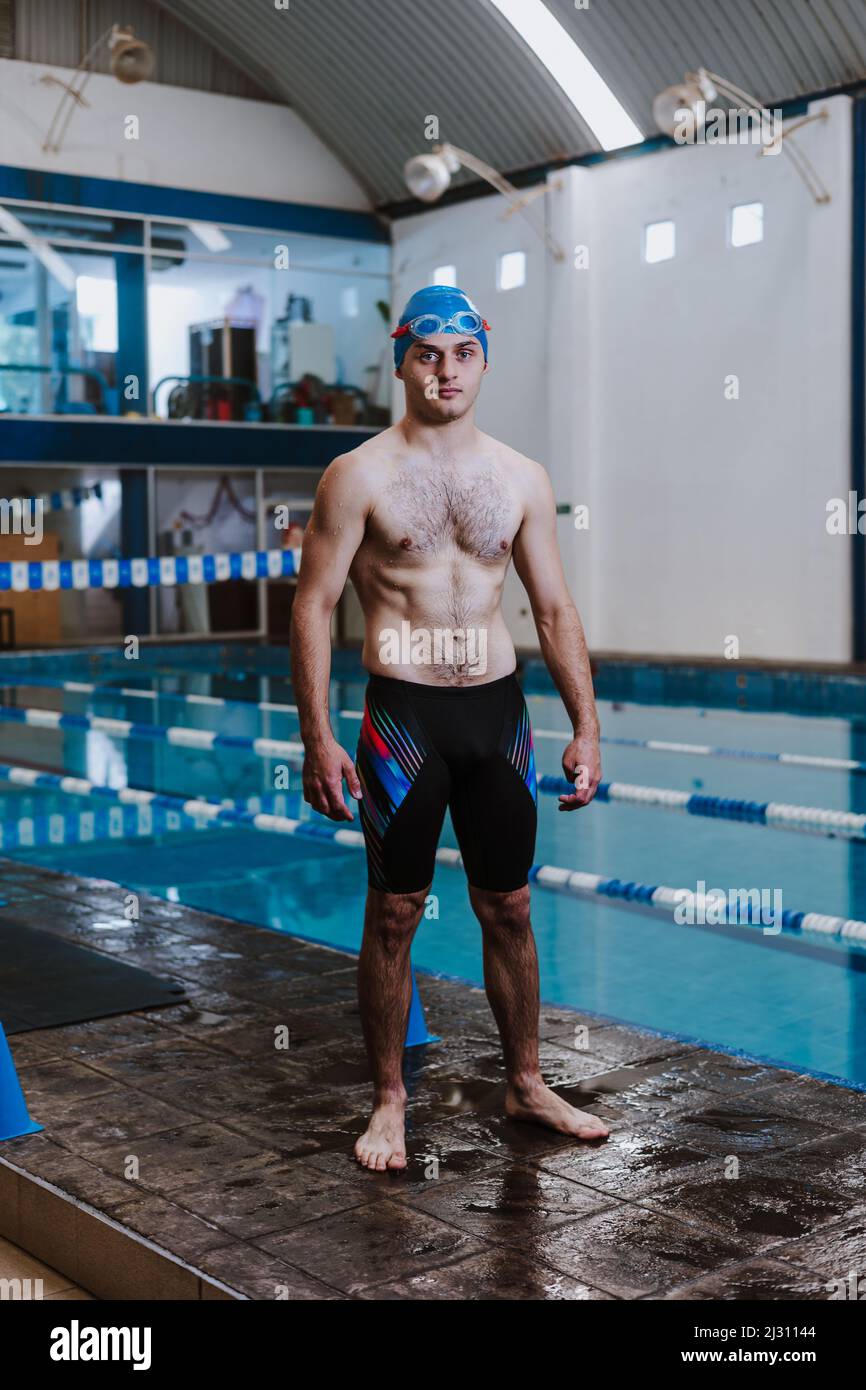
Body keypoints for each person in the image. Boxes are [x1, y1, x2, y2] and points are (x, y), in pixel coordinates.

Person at [290, 284, 606, 1171]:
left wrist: (586, 723)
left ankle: (528, 1081)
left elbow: (552, 607)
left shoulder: (520, 477)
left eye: (463, 353)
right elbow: (312, 607)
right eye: (428, 353)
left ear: (483, 362)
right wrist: (316, 735)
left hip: (498, 716)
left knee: (508, 905)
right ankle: (390, 1100)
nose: (446, 370)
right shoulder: (357, 475)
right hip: (405, 718)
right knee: (394, 915)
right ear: (402, 363)